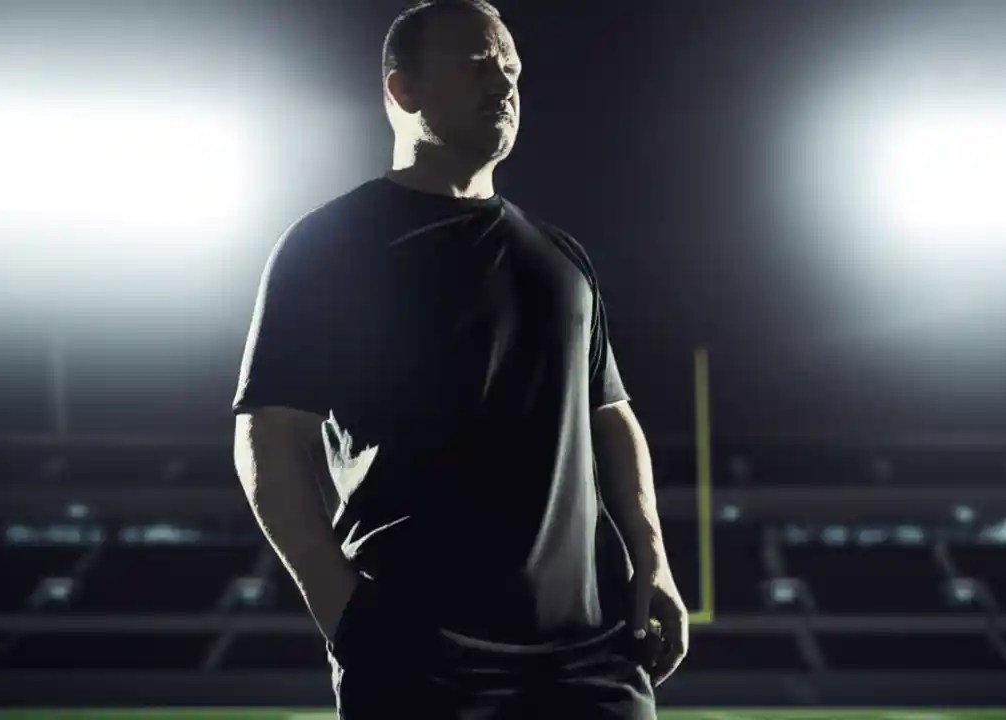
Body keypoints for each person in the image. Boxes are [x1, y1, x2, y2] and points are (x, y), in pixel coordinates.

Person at [229, 1, 687, 716]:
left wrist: (651, 558)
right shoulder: (330, 246)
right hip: (421, 657)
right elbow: (269, 436)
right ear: (402, 90)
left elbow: (611, 417)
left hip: (592, 656)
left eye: (511, 69)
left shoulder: (563, 258)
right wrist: (342, 611)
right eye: (478, 66)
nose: (504, 86)